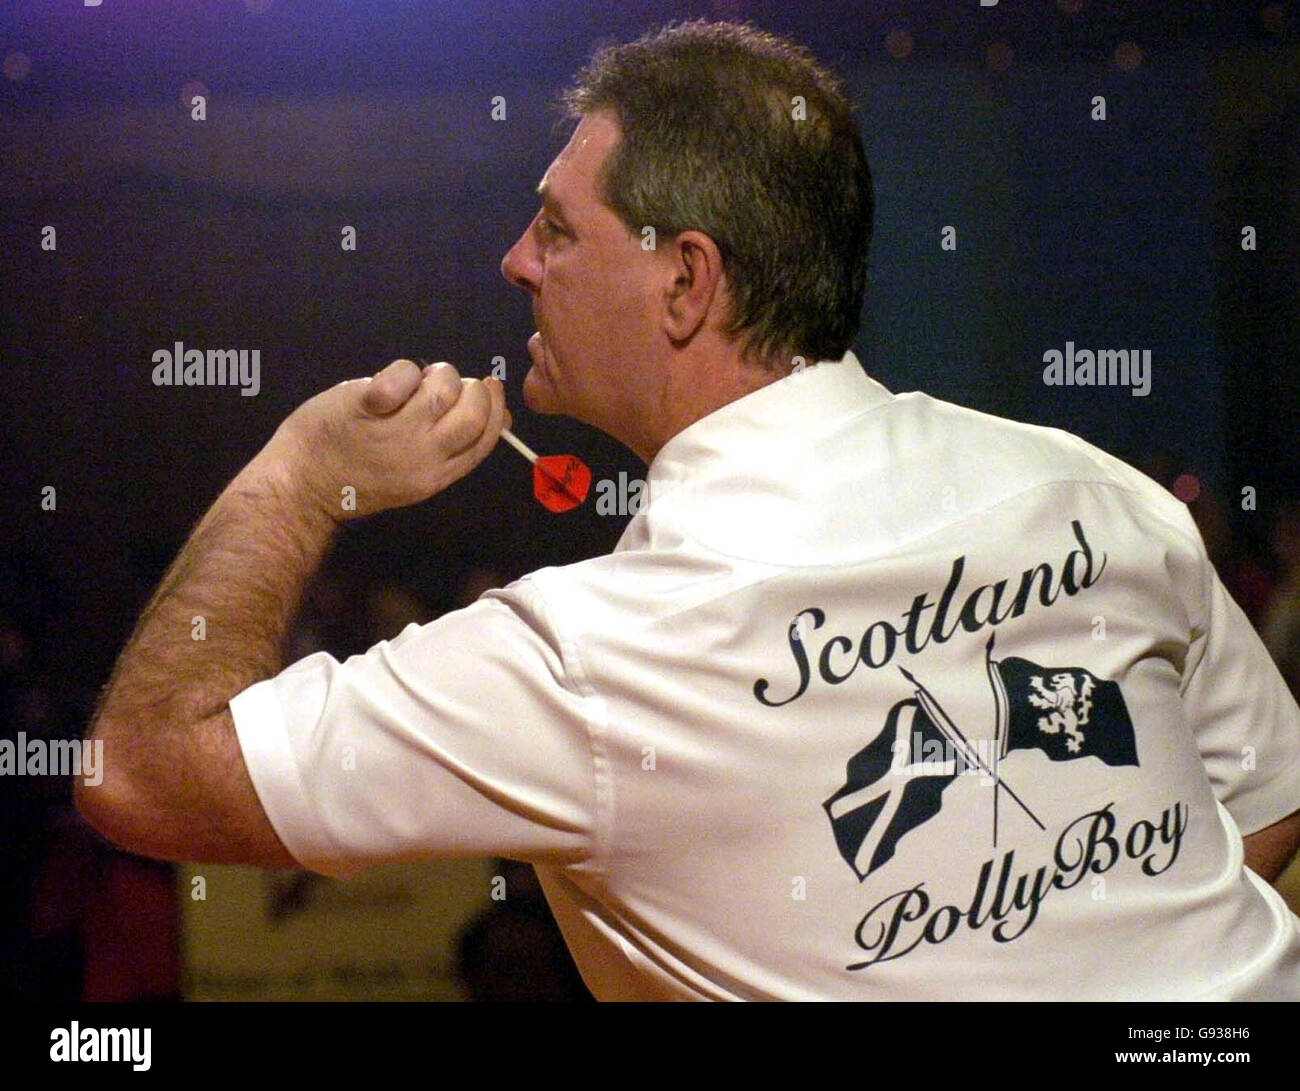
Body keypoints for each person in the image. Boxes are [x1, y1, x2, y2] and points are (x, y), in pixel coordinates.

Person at [78, 20, 1300, 1000]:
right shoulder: (1085, 481)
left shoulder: (594, 655)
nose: (515, 259)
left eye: (556, 226)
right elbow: (1267, 799)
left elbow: (138, 771)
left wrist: (296, 473)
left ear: (684, 279)